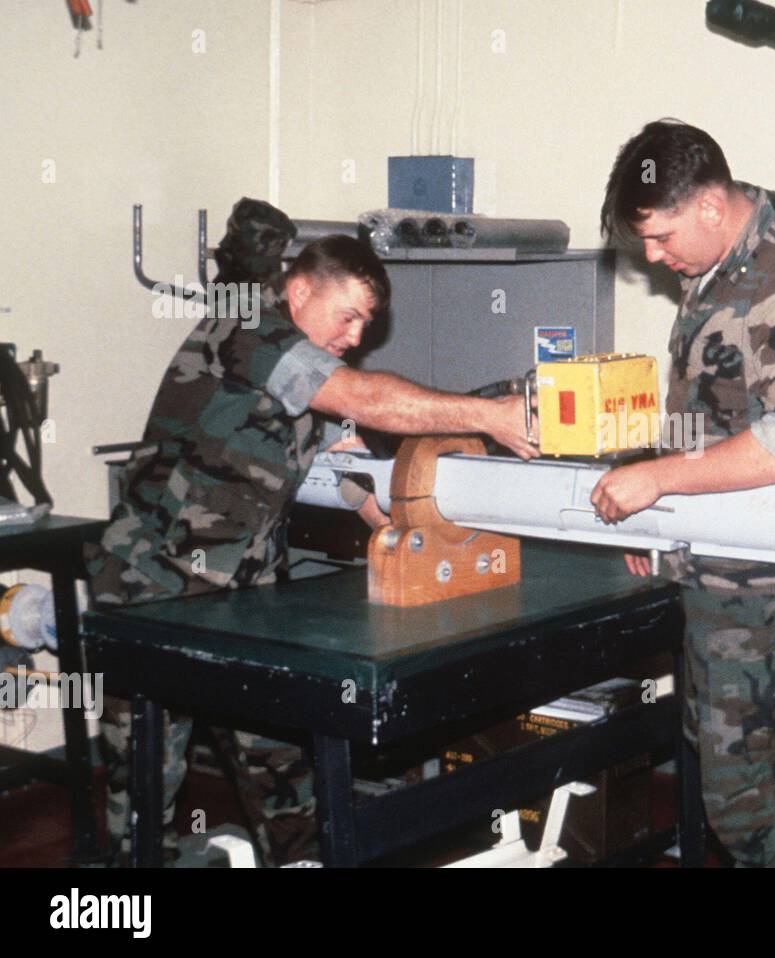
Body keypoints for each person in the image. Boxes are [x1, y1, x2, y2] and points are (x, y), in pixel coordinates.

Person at [86, 232, 537, 865]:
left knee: (285, 773)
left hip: (242, 602)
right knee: (145, 782)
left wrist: (377, 506)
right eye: (348, 316)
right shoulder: (246, 327)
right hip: (150, 589)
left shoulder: (288, 365)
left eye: (366, 324)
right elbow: (361, 398)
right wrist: (488, 416)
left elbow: (321, 450)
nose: (355, 337)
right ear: (298, 291)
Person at [593, 120, 775, 867]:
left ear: (710, 206)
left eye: (661, 234)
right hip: (712, 569)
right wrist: (661, 512)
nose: (651, 255)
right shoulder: (716, 272)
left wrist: (655, 481)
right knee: (757, 791)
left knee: (750, 805)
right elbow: (712, 419)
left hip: (759, 587)